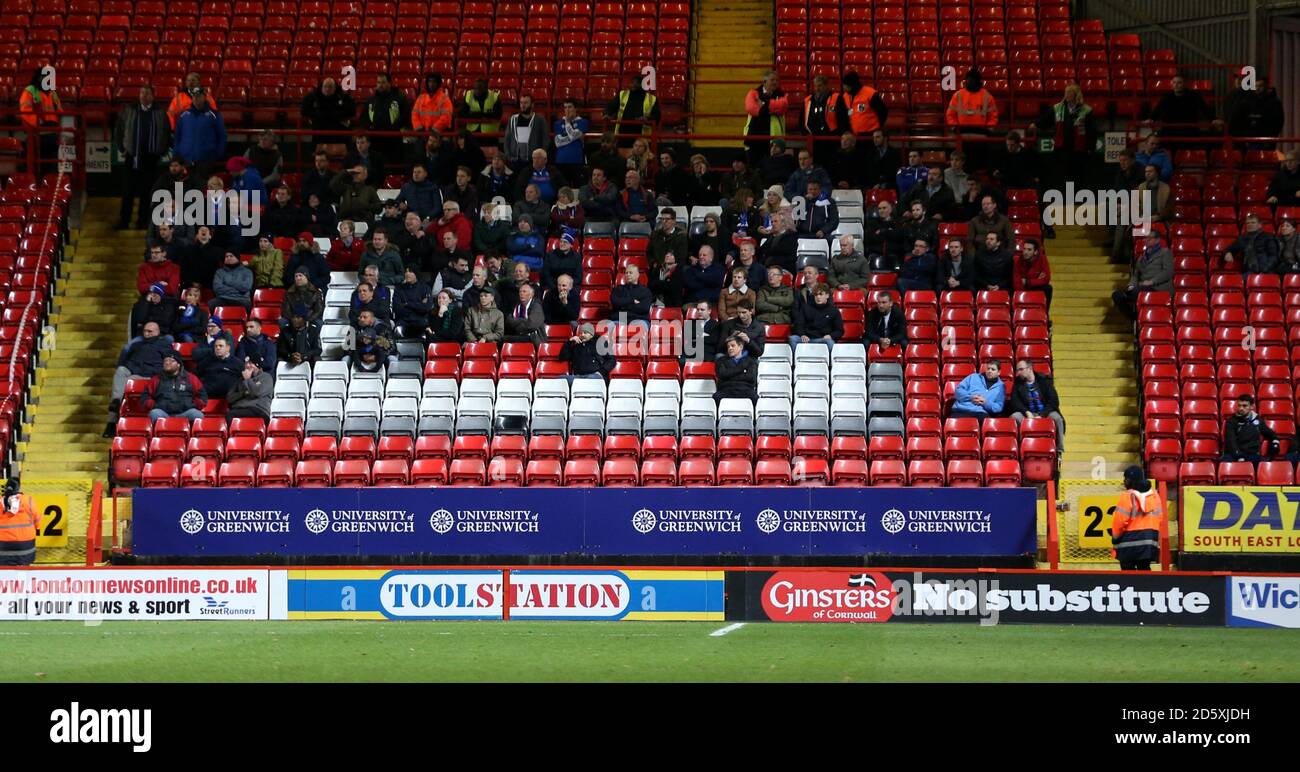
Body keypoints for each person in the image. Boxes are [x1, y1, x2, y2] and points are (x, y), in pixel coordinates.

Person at [115, 85, 171, 230]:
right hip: (132, 156)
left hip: (151, 158)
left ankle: (142, 221)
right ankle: (124, 221)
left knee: (147, 192)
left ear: (153, 96)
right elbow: (119, 129)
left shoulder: (160, 112)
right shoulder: (129, 110)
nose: (144, 96)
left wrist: (161, 150)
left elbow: (166, 132)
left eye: (147, 93)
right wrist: (122, 147)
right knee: (128, 191)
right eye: (142, 93)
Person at [1111, 465, 1163, 572]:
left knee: (1128, 576)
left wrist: (1115, 537)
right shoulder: (1154, 495)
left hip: (1129, 543)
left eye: (1125, 479)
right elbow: (1160, 518)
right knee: (1145, 573)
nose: (1124, 482)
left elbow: (1120, 521)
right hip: (1149, 542)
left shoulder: (1127, 496)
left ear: (1130, 480)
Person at [945, 69, 998, 171]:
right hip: (962, 137)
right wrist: (954, 127)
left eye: (973, 79)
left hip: (981, 138)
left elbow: (993, 116)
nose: (971, 81)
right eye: (969, 79)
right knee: (963, 167)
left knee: (979, 167)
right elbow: (950, 115)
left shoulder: (987, 96)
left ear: (979, 81)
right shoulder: (958, 95)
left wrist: (989, 130)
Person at [1010, 360, 1066, 454]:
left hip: (1045, 412)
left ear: (1030, 369)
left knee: (1057, 418)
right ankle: (1021, 448)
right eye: (1017, 370)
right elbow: (1015, 402)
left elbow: (1053, 401)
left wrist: (1042, 415)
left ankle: (1059, 450)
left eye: (1021, 369)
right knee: (1015, 416)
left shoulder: (1044, 380)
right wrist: (1026, 412)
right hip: (1028, 413)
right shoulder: (1018, 383)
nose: (1018, 372)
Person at [141, 350, 207, 423]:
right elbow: (145, 396)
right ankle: (156, 434)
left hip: (185, 413)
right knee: (154, 413)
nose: (167, 363)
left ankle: (192, 434)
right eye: (165, 361)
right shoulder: (156, 379)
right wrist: (154, 405)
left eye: (171, 361)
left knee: (197, 415)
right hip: (163, 413)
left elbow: (202, 396)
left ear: (178, 364)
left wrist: (192, 404)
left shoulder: (191, 378)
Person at [172, 89, 226, 178]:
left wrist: (217, 154)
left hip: (205, 160)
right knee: (183, 188)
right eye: (194, 96)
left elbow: (222, 136)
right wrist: (177, 154)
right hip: (185, 160)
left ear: (204, 97)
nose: (196, 98)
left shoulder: (214, 115)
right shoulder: (184, 115)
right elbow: (177, 136)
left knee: (202, 188)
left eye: (199, 96)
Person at [19, 66, 61, 173]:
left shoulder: (53, 93)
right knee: (36, 165)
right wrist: (40, 125)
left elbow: (60, 112)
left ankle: (50, 185)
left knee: (51, 165)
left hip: (52, 133)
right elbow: (25, 112)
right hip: (37, 132)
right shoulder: (30, 91)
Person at [1150, 74, 1219, 139]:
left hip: (1189, 130)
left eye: (1179, 83)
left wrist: (1213, 119)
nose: (1176, 85)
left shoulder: (1194, 96)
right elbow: (1158, 109)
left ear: (1185, 84)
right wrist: (1151, 118)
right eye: (1174, 82)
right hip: (1169, 130)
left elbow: (1204, 109)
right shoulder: (1167, 96)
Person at [744, 70, 788, 167]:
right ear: (764, 82)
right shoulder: (753, 93)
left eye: (777, 80)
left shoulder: (781, 95)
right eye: (772, 80)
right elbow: (752, 108)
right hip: (754, 138)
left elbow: (782, 107)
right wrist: (772, 107)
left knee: (772, 169)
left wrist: (763, 104)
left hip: (774, 141)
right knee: (754, 169)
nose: (775, 82)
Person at [361, 73, 410, 160]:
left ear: (389, 83)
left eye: (383, 82)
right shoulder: (371, 100)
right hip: (375, 139)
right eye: (378, 83)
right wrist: (368, 128)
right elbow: (364, 117)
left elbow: (406, 115)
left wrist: (395, 127)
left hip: (394, 138)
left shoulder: (400, 97)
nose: (380, 85)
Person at [803, 75, 849, 164]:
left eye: (819, 86)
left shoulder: (837, 98)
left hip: (831, 141)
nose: (817, 89)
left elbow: (843, 119)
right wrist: (806, 134)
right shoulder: (808, 100)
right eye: (815, 86)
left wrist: (838, 134)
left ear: (826, 86)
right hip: (814, 140)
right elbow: (802, 119)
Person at [1222, 394, 1280, 463]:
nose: (1241, 408)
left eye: (1244, 406)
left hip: (1253, 455)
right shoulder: (1232, 421)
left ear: (1251, 407)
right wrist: (1239, 456)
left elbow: (1270, 433)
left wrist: (1275, 442)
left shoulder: (1258, 420)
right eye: (1239, 405)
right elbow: (1231, 441)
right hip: (1234, 455)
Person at [608, 74, 660, 148]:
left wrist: (647, 119)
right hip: (622, 135)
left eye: (637, 83)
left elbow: (657, 116)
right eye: (632, 82)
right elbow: (610, 106)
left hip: (642, 139)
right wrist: (607, 114)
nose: (634, 85)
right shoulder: (622, 94)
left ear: (643, 85)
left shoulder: (652, 99)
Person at [300, 77, 355, 142]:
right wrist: (317, 114)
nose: (327, 89)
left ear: (335, 88)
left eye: (330, 87)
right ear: (321, 87)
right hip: (319, 129)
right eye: (325, 86)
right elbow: (303, 110)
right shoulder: (313, 96)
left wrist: (336, 114)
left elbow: (352, 111)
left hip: (338, 129)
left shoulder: (344, 97)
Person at [790, 283, 842, 351]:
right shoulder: (806, 308)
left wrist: (830, 336)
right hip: (807, 339)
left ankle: (829, 361)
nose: (818, 297)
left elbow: (839, 330)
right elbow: (798, 324)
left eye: (821, 294)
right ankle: (796, 360)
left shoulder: (833, 311)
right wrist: (802, 335)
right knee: (793, 339)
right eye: (816, 295)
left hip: (823, 339)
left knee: (830, 342)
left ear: (827, 295)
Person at [0, 478, 38, 566]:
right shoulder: (28, 500)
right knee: (24, 573)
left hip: (2, 548)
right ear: (19, 488)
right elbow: (37, 520)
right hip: (26, 548)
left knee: (4, 575)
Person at [503, 94, 547, 169]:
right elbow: (507, 139)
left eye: (526, 103)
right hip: (515, 160)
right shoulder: (513, 119)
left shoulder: (540, 120)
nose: (523, 105)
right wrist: (508, 155)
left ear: (532, 105)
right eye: (521, 103)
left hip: (533, 160)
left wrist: (540, 157)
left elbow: (545, 140)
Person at [552, 99, 589, 184]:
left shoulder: (583, 122)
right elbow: (558, 142)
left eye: (570, 107)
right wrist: (572, 138)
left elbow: (573, 135)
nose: (567, 110)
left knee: (578, 188)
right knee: (562, 189)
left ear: (576, 109)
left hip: (577, 161)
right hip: (560, 161)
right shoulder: (558, 123)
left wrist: (567, 122)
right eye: (565, 107)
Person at [714, 336, 759, 405]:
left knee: (755, 397)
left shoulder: (751, 361)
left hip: (745, 389)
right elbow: (722, 375)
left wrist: (729, 374)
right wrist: (742, 369)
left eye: (732, 346)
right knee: (716, 397)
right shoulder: (721, 361)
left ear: (740, 347)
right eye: (728, 347)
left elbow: (751, 377)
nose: (730, 348)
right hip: (726, 389)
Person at [393, 267, 435, 339]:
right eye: (406, 271)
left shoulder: (425, 288)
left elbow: (427, 307)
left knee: (428, 334)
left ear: (416, 274)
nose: (407, 273)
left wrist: (407, 304)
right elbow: (397, 308)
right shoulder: (399, 289)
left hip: (421, 321)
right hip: (404, 320)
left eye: (411, 271)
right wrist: (419, 305)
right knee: (397, 331)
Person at [1013, 240, 1053, 309]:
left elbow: (1046, 279)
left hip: (1034, 286)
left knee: (1048, 288)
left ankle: (1045, 314)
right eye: (1024, 249)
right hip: (1022, 287)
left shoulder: (1042, 259)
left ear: (1036, 252)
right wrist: (1036, 279)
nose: (1025, 252)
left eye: (1029, 250)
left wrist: (1027, 282)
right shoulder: (1019, 260)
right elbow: (1016, 279)